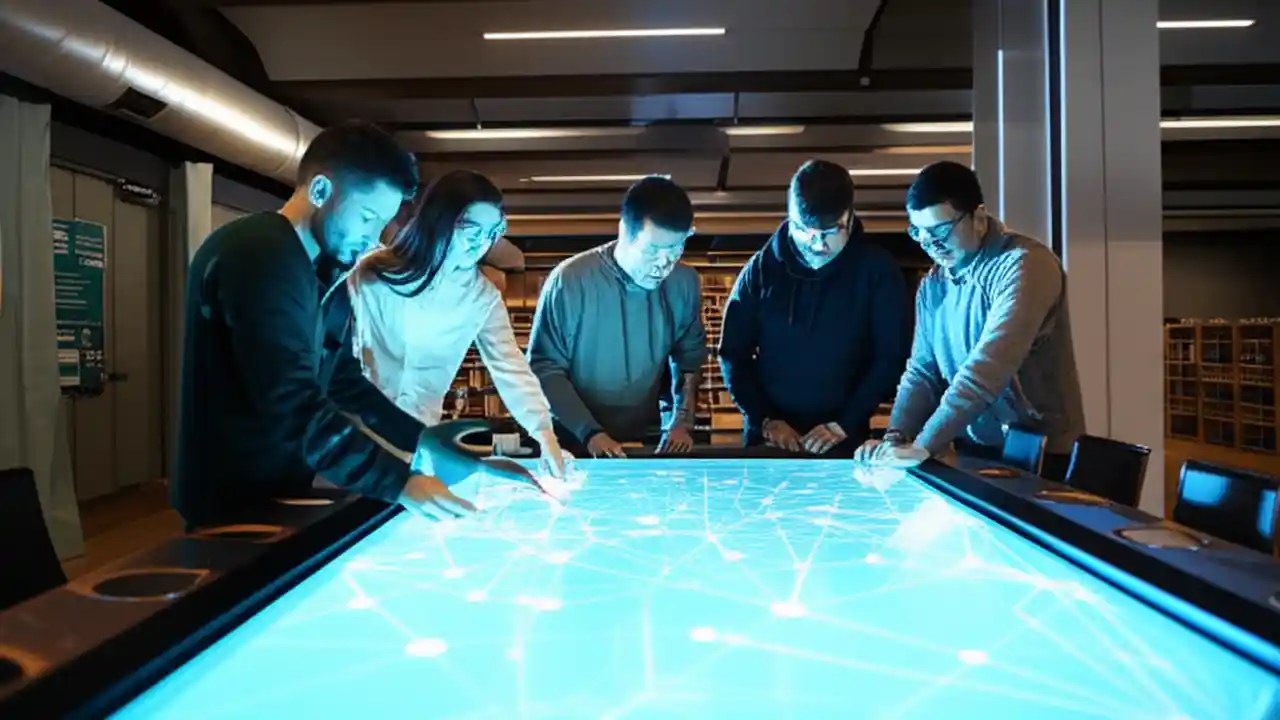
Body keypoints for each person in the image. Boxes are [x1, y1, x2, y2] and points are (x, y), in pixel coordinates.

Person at [175, 121, 529, 530]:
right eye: (366, 217)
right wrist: (399, 482)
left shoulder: (326, 273)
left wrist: (422, 443)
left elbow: (344, 382)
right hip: (230, 501)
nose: (372, 237)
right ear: (321, 191)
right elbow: (291, 402)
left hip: (280, 487)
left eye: (381, 223)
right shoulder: (259, 254)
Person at [854, 161, 1086, 480]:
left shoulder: (1025, 266)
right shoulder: (934, 284)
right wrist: (895, 437)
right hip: (978, 447)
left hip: (1043, 454)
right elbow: (922, 371)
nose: (932, 246)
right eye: (920, 235)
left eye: (940, 232)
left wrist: (923, 446)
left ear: (977, 218)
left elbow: (986, 371)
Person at [344, 170, 566, 478]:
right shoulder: (372, 273)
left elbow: (510, 366)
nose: (482, 244)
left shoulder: (481, 297)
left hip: (416, 438)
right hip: (352, 432)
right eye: (472, 231)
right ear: (440, 219)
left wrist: (544, 433)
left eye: (492, 233)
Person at [719, 160, 910, 456]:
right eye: (805, 231)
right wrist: (764, 418)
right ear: (790, 218)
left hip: (845, 437)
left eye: (830, 232)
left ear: (850, 216)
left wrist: (846, 421)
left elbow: (891, 356)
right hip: (769, 437)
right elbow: (733, 353)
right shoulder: (760, 271)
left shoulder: (878, 271)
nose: (817, 245)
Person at [528, 176, 707, 458]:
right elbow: (545, 368)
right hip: (571, 438)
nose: (664, 264)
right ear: (625, 232)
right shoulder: (570, 281)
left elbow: (689, 362)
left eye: (675, 250)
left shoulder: (684, 283)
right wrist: (589, 432)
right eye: (652, 250)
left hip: (646, 436)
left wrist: (681, 421)